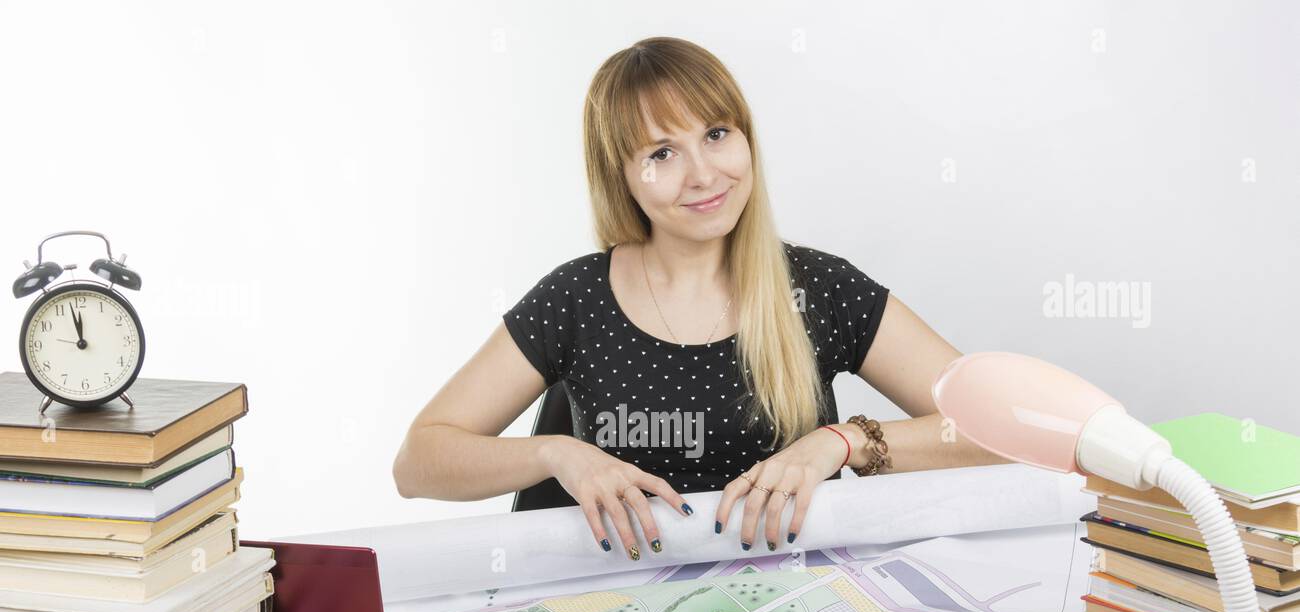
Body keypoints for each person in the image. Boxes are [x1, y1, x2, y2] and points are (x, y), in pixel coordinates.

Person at [393, 36, 1006, 560]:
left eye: (716, 134)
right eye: (661, 153)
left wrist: (842, 442)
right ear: (621, 176)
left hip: (792, 602)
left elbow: (998, 431)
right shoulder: (574, 298)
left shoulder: (820, 289)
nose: (705, 174)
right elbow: (418, 462)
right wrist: (558, 455)